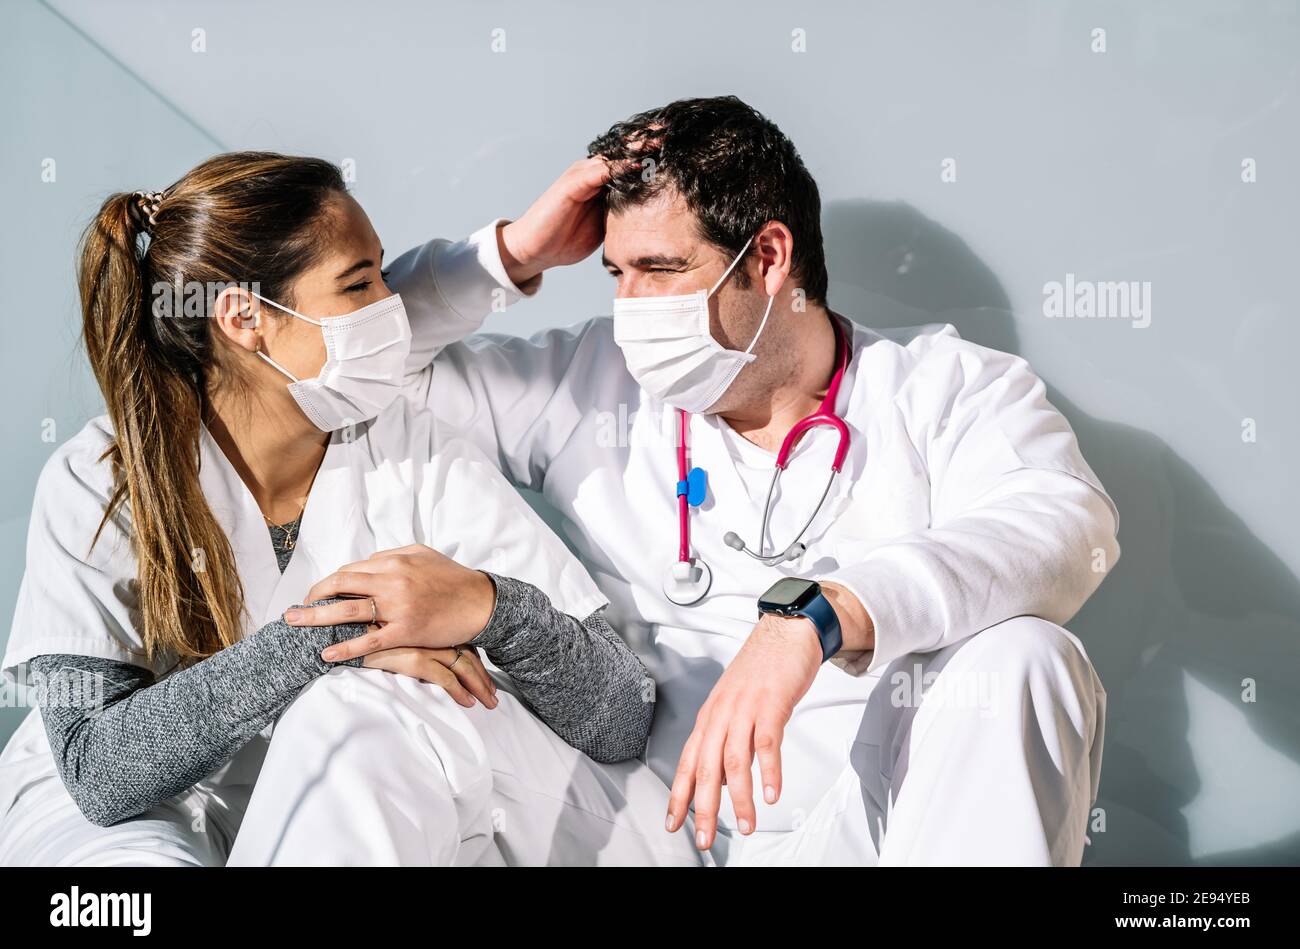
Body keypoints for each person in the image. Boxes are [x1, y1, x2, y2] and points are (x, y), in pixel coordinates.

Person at [293, 96, 1121, 865]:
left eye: (658, 268)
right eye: (615, 273)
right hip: (644, 831)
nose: (630, 306)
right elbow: (362, 377)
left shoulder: (945, 386)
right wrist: (509, 256)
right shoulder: (592, 379)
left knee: (1026, 655)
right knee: (379, 709)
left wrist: (817, 616)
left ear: (767, 258)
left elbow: (1065, 524)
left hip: (871, 826)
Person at [0, 151, 700, 867]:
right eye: (359, 283)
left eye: (384, 275)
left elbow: (620, 714)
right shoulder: (99, 477)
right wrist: (338, 638)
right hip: (129, 819)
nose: (392, 310)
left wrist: (493, 608)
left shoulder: (412, 448)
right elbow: (98, 771)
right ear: (246, 318)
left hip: (336, 798)